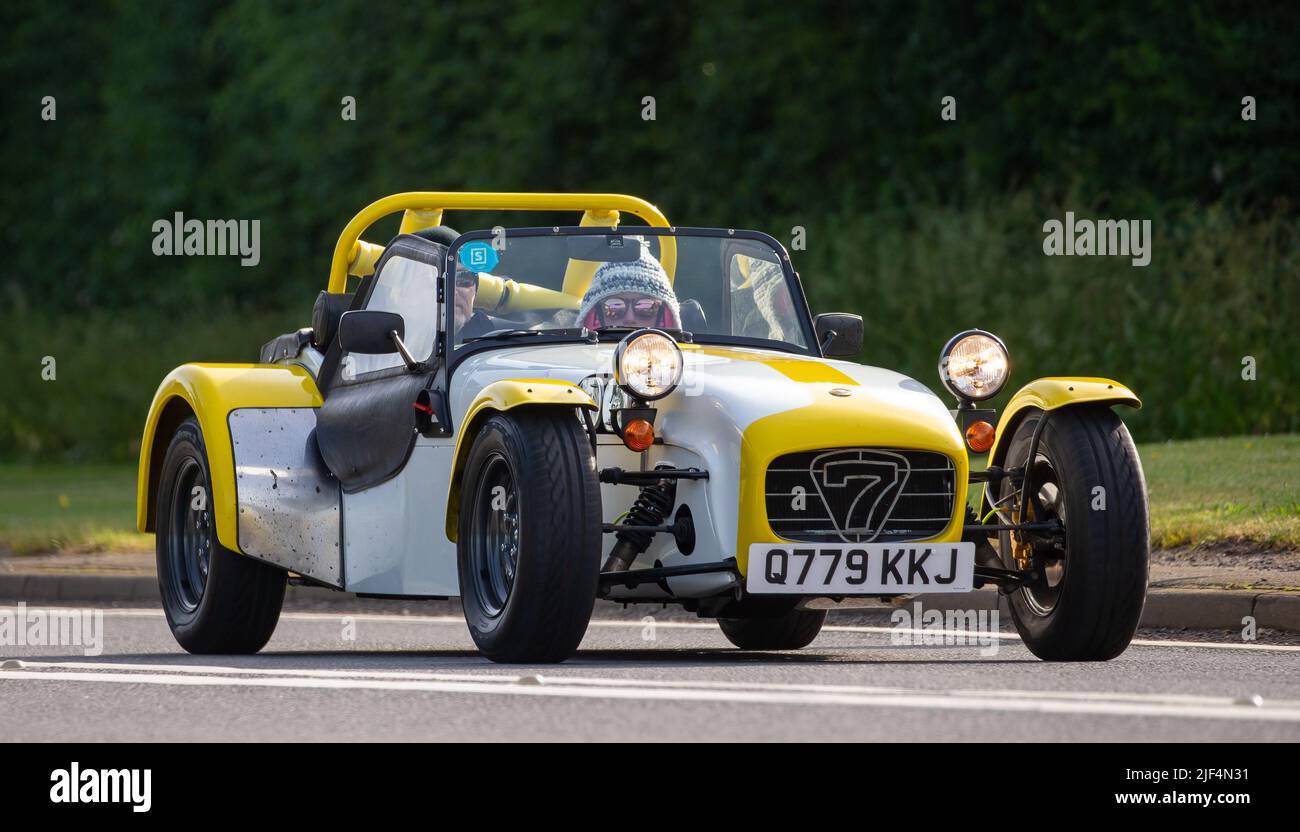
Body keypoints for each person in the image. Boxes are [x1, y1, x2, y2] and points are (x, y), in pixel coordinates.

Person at [577, 246, 680, 330]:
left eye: (646, 307)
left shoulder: (686, 355)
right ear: (595, 315)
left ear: (664, 315)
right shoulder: (568, 354)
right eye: (614, 307)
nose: (630, 318)